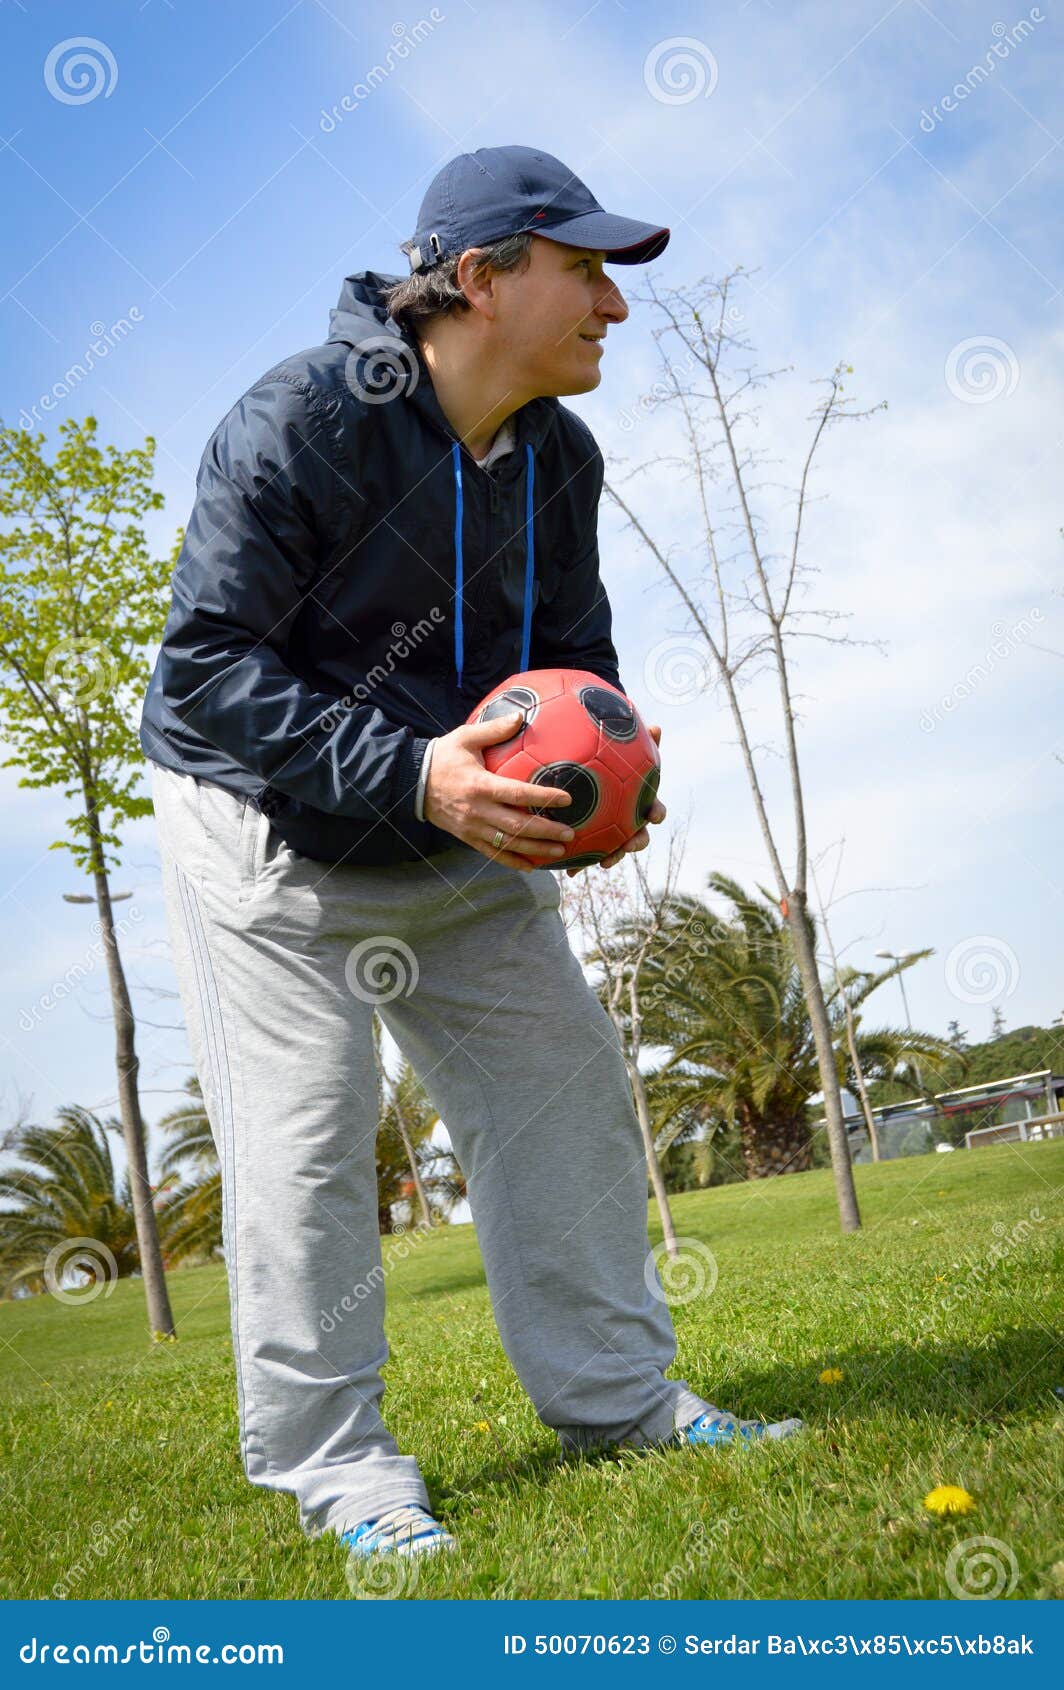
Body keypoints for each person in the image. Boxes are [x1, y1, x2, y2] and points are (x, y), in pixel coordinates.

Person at [140, 145, 802, 1567]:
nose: (616, 309)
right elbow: (197, 677)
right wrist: (408, 771)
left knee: (562, 1095)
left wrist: (602, 777)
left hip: (459, 836)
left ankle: (621, 1400)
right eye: (588, 272)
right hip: (272, 849)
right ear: (482, 278)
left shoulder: (558, 455)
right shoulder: (302, 420)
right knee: (312, 1144)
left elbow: (577, 656)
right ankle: (342, 1469)